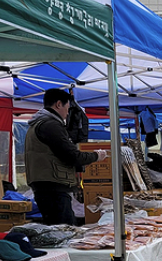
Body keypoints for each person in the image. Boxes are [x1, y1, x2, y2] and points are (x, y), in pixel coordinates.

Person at [25, 89, 108, 225]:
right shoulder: (50, 125)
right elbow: (71, 155)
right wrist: (96, 156)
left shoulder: (38, 124)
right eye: (67, 109)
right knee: (63, 231)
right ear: (58, 104)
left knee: (57, 230)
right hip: (54, 188)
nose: (68, 114)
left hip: (46, 186)